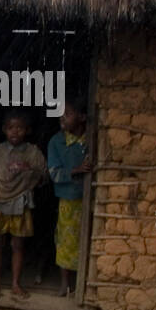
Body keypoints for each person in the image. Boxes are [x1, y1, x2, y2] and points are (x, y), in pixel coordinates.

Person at [0, 110, 47, 299]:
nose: (15, 132)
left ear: (27, 131)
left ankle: (15, 284)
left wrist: (29, 171)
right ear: (4, 129)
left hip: (21, 202)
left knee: (18, 244)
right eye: (11, 128)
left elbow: (45, 177)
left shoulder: (33, 152)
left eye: (20, 128)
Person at [46, 101, 92, 296]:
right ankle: (65, 283)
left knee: (88, 239)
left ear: (82, 117)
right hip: (68, 199)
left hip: (91, 199)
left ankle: (85, 282)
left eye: (68, 113)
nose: (62, 117)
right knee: (65, 241)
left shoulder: (91, 140)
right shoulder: (56, 142)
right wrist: (76, 171)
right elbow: (53, 173)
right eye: (60, 114)